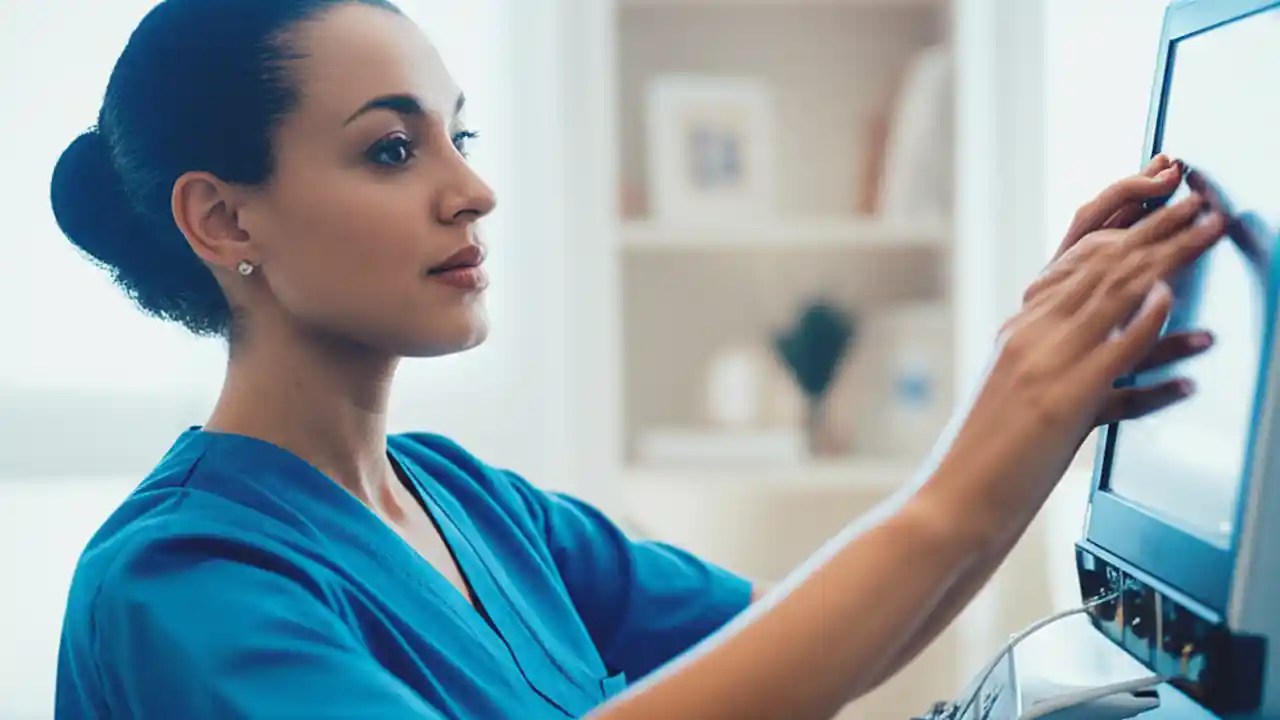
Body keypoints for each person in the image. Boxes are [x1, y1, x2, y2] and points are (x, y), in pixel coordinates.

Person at [48, 1, 1226, 718]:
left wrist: (1046, 380)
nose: (473, 189)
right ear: (224, 221)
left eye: (460, 135)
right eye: (393, 149)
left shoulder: (468, 502)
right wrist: (980, 451)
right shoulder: (181, 583)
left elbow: (803, 649)